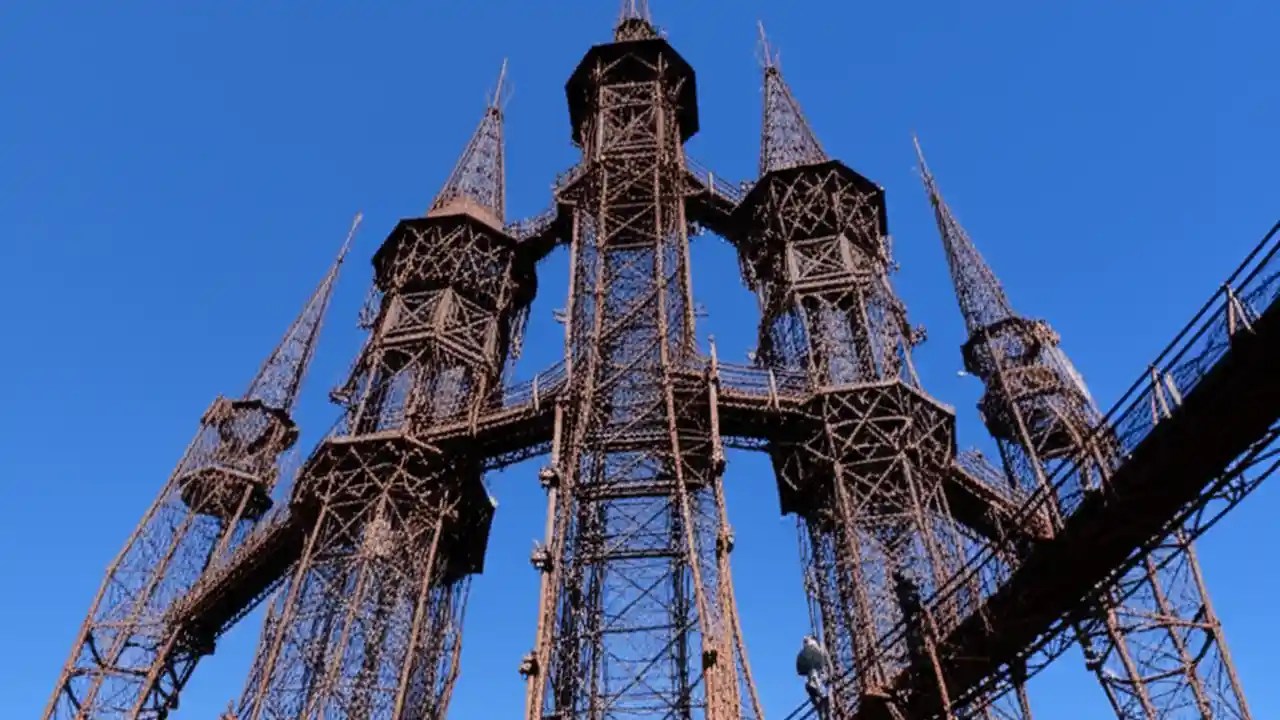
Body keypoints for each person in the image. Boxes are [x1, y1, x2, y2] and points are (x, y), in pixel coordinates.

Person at [795, 634, 832, 720]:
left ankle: (823, 706)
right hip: (814, 683)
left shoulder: (818, 651)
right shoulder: (809, 654)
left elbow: (827, 663)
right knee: (818, 701)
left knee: (822, 700)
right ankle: (822, 708)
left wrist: (830, 675)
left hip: (820, 681)